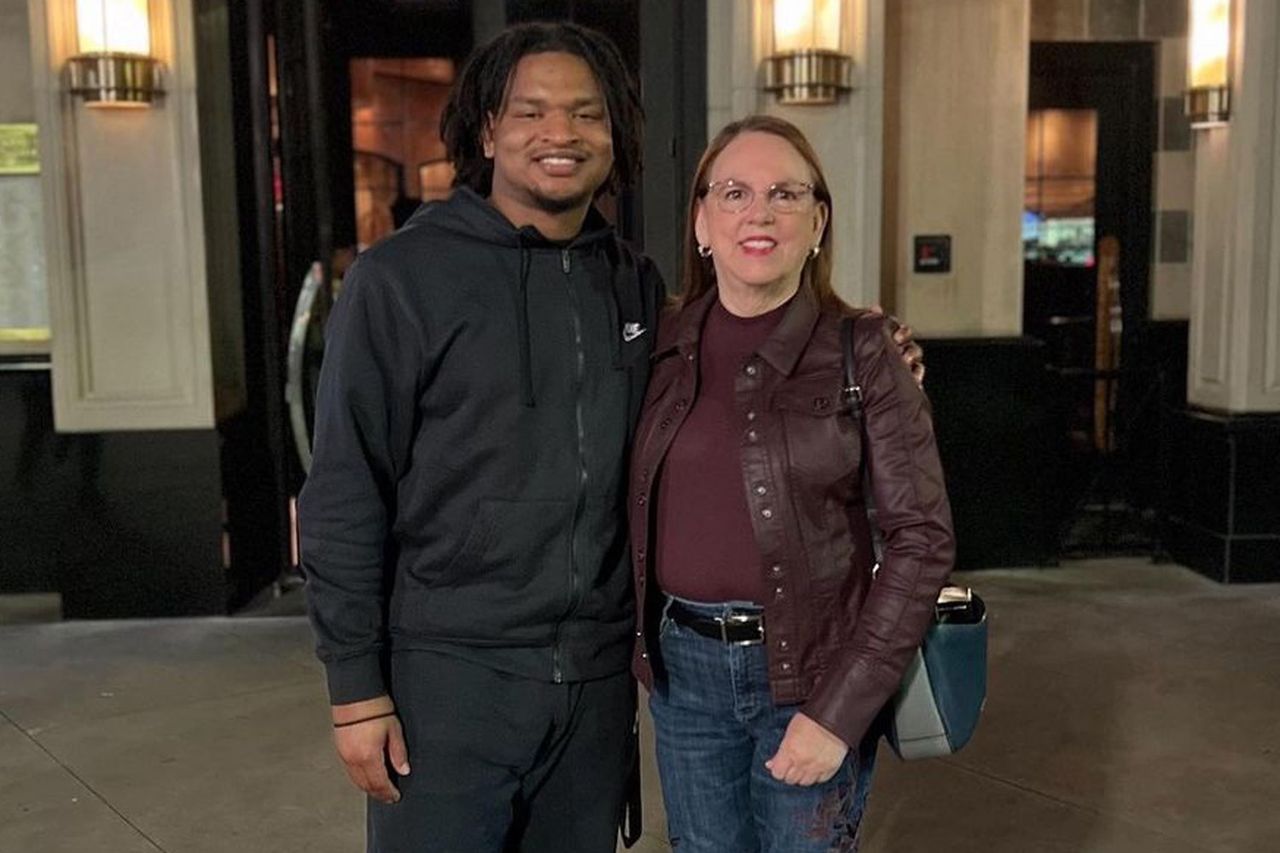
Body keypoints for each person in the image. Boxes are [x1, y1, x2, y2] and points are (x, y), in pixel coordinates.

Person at [299, 22, 662, 853]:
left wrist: (866, 343)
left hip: (595, 681)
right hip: (448, 678)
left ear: (615, 134)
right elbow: (345, 485)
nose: (561, 133)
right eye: (531, 111)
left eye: (586, 113)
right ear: (488, 131)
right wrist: (356, 689)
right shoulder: (401, 280)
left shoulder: (632, 281)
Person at [628, 115, 956, 852]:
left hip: (811, 673)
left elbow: (922, 540)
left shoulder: (864, 350)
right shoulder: (659, 345)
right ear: (702, 223)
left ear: (817, 223)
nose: (760, 211)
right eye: (735, 191)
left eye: (785, 192)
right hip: (684, 677)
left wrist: (840, 710)